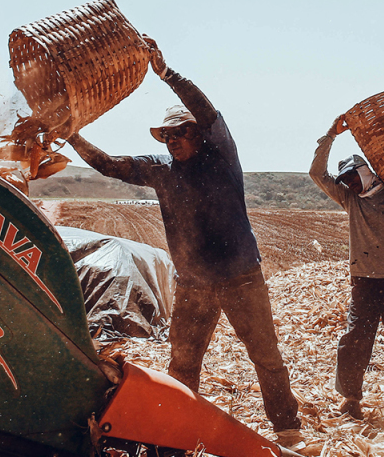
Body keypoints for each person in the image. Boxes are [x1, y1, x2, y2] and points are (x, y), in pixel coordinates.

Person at [66, 39, 301, 433]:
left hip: (241, 277)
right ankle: (172, 429)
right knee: (183, 361)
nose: (172, 140)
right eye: (166, 136)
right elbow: (109, 165)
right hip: (193, 284)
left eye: (180, 132)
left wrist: (166, 73)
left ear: (197, 133)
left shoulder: (221, 154)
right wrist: (72, 135)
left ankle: (286, 426)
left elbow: (206, 110)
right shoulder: (162, 171)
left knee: (265, 355)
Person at [310, 116, 384, 420]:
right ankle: (351, 398)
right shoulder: (349, 199)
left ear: (366, 171)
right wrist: (329, 135)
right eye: (346, 181)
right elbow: (316, 173)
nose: (349, 184)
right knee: (354, 340)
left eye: (352, 177)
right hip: (364, 282)